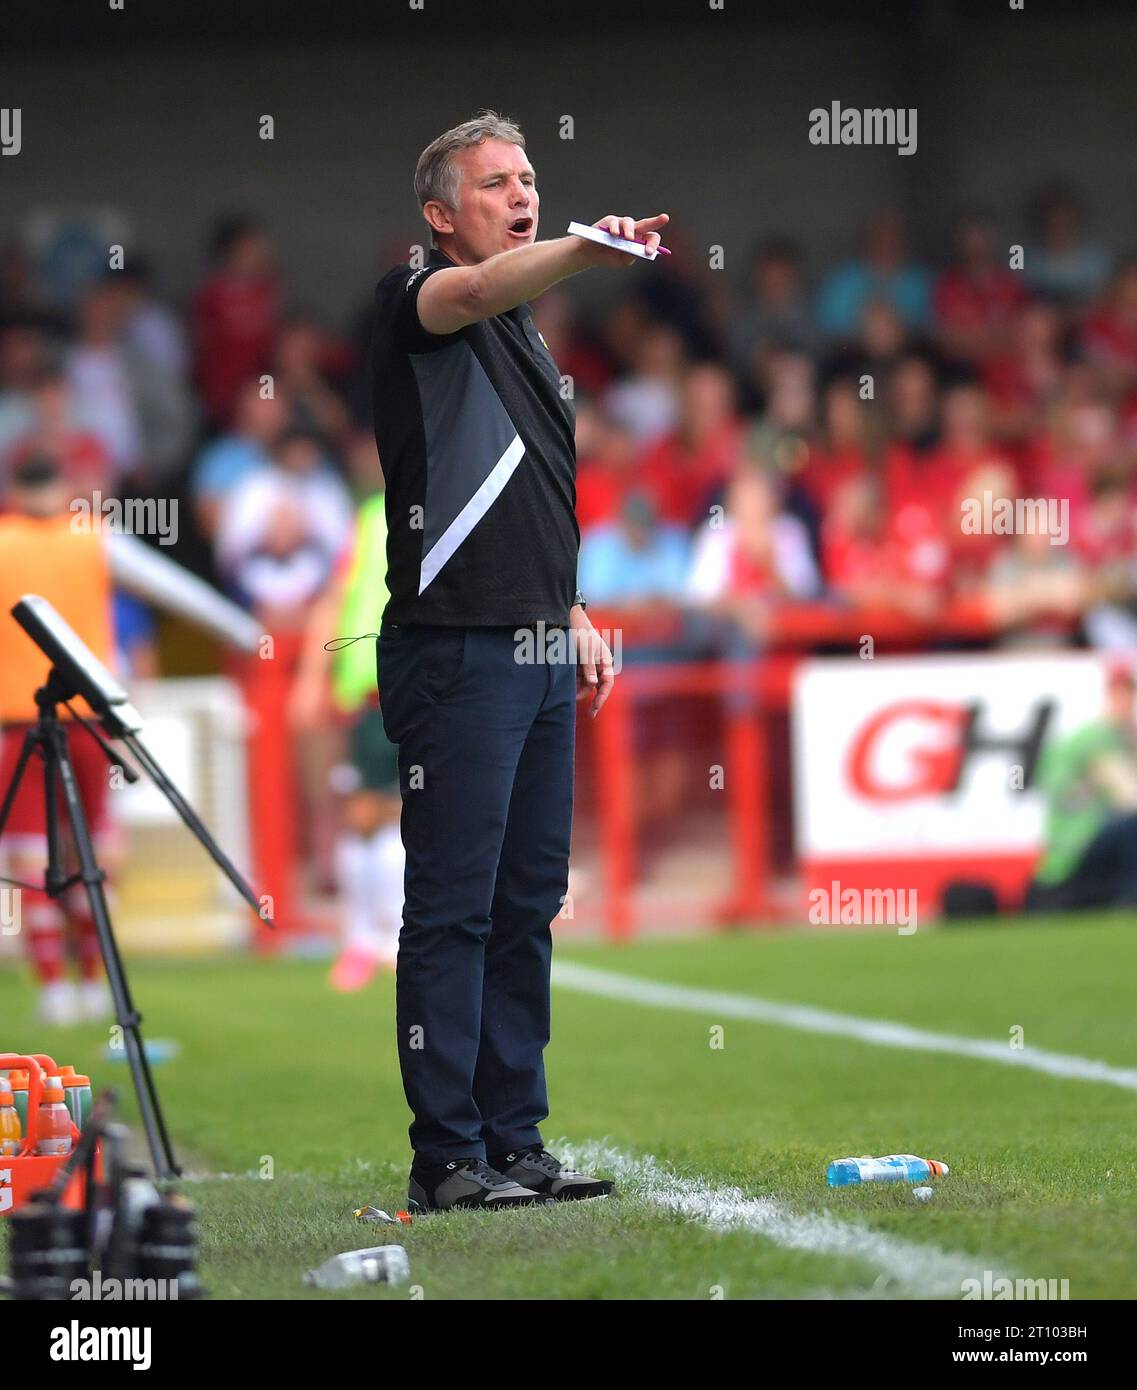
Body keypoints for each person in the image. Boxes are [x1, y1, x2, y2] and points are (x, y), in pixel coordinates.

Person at [370, 109, 666, 1212]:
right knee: (453, 904)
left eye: (529, 177)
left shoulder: (525, 333)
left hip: (534, 642)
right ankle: (447, 1154)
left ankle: (513, 1138)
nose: (521, 192)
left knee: (527, 898)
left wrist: (573, 607)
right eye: (495, 184)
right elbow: (477, 290)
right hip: (457, 654)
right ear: (442, 217)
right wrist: (590, 245)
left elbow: (528, 497)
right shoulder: (421, 297)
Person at [0, 456, 119, 1024]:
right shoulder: (94, 538)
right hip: (88, 717)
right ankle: (95, 983)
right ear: (64, 485)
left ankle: (53, 986)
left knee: (29, 855)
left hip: (18, 724)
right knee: (91, 852)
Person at [1026, 663, 1137, 912]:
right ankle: (1131, 897)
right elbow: (1129, 796)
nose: (1127, 704)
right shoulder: (1097, 738)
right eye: (1121, 696)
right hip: (1078, 847)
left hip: (1082, 847)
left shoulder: (1115, 737)